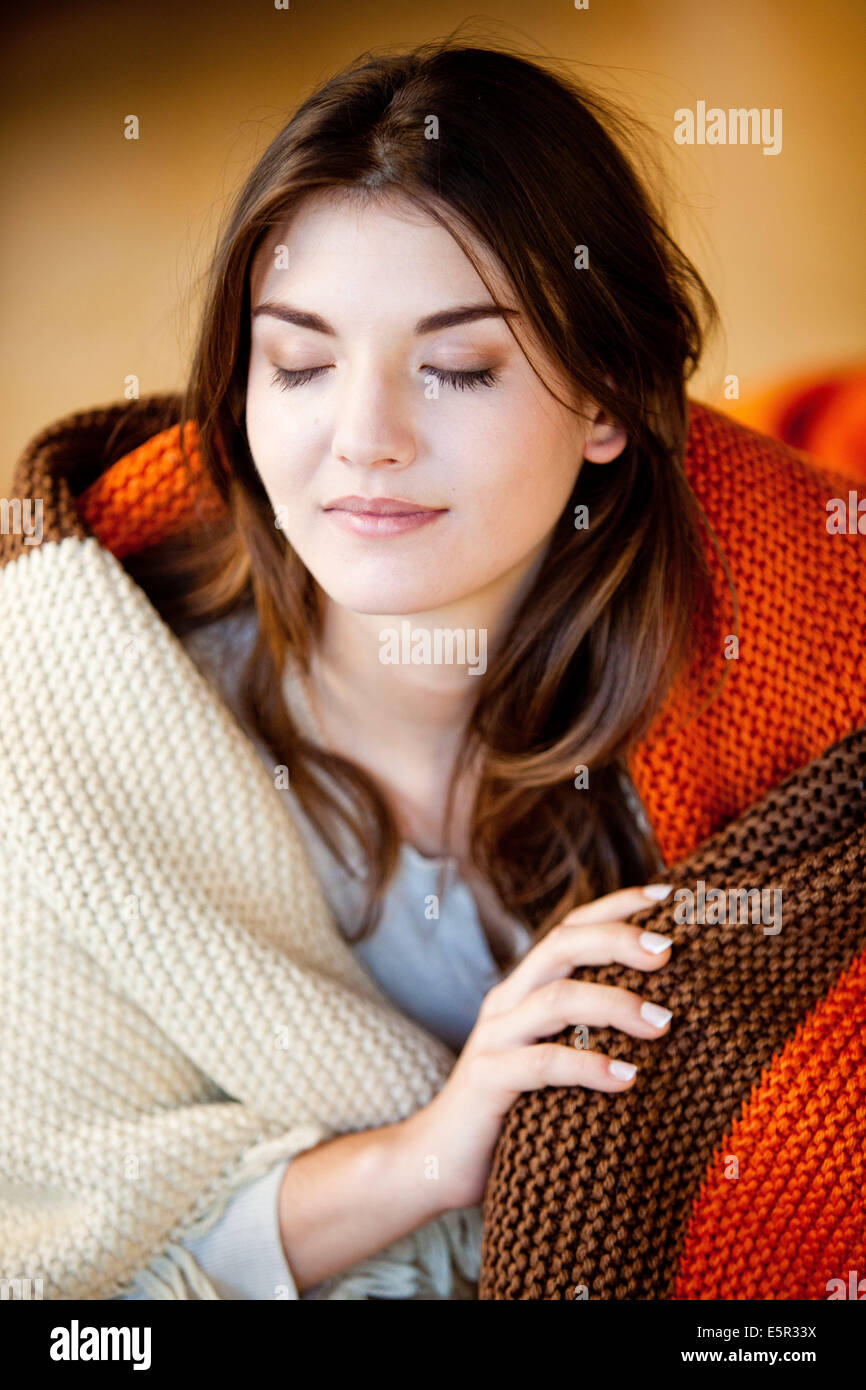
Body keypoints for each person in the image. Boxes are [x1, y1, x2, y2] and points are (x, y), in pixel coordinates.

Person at [2, 36, 862, 1302]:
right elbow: (59, 1273)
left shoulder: (749, 695)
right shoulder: (68, 721)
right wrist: (430, 1153)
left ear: (609, 399)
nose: (363, 442)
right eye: (297, 364)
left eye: (455, 368)